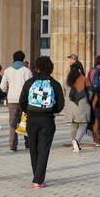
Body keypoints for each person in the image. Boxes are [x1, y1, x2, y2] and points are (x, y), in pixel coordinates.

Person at [19, 56, 64, 187]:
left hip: (31, 119)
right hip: (47, 120)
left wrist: (28, 111)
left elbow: (22, 102)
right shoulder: (54, 83)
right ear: (50, 68)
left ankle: (37, 176)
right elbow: (61, 105)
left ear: (36, 67)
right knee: (44, 149)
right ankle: (38, 180)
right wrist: (50, 110)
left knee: (33, 149)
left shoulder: (29, 82)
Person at [1, 51, 33, 152]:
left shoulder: (7, 71)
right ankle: (28, 143)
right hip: (24, 99)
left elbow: (2, 87)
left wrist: (8, 90)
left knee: (12, 123)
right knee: (26, 121)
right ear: (23, 59)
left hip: (12, 99)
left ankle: (13, 145)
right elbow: (31, 86)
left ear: (13, 58)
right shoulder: (26, 71)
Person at [65, 59, 91, 151]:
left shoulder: (67, 80)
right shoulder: (84, 79)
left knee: (73, 125)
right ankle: (76, 141)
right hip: (82, 106)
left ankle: (73, 143)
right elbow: (90, 93)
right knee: (83, 125)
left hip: (70, 107)